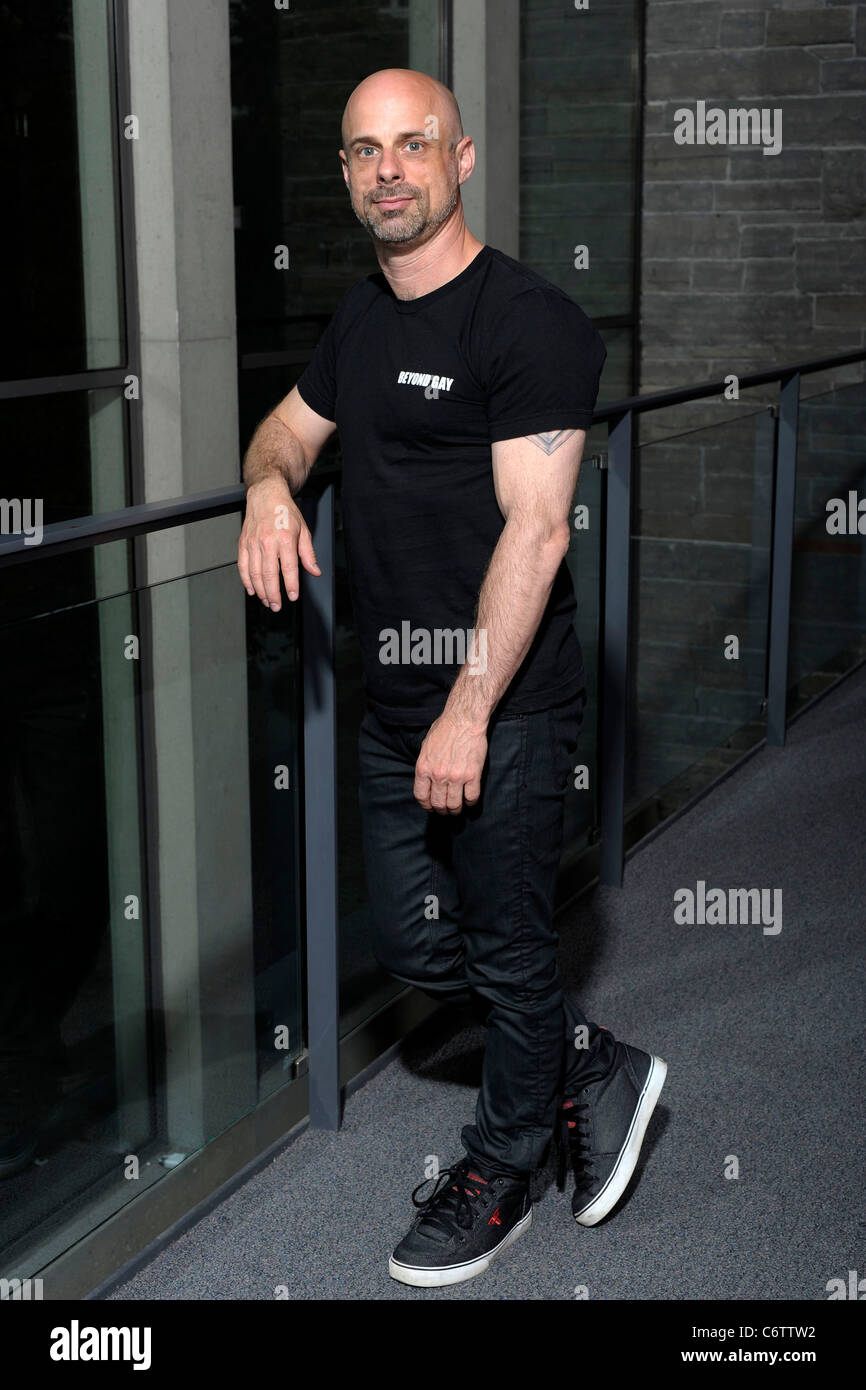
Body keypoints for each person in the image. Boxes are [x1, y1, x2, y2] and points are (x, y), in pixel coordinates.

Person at [238, 67, 666, 1288]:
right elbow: (285, 428)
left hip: (505, 706)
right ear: (344, 173)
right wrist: (269, 484)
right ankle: (587, 1064)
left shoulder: (527, 322)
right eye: (363, 150)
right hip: (390, 706)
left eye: (411, 145)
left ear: (460, 159)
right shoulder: (360, 320)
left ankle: (503, 1164)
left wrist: (470, 710)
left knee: (511, 948)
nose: (387, 169)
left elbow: (534, 531)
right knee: (424, 953)